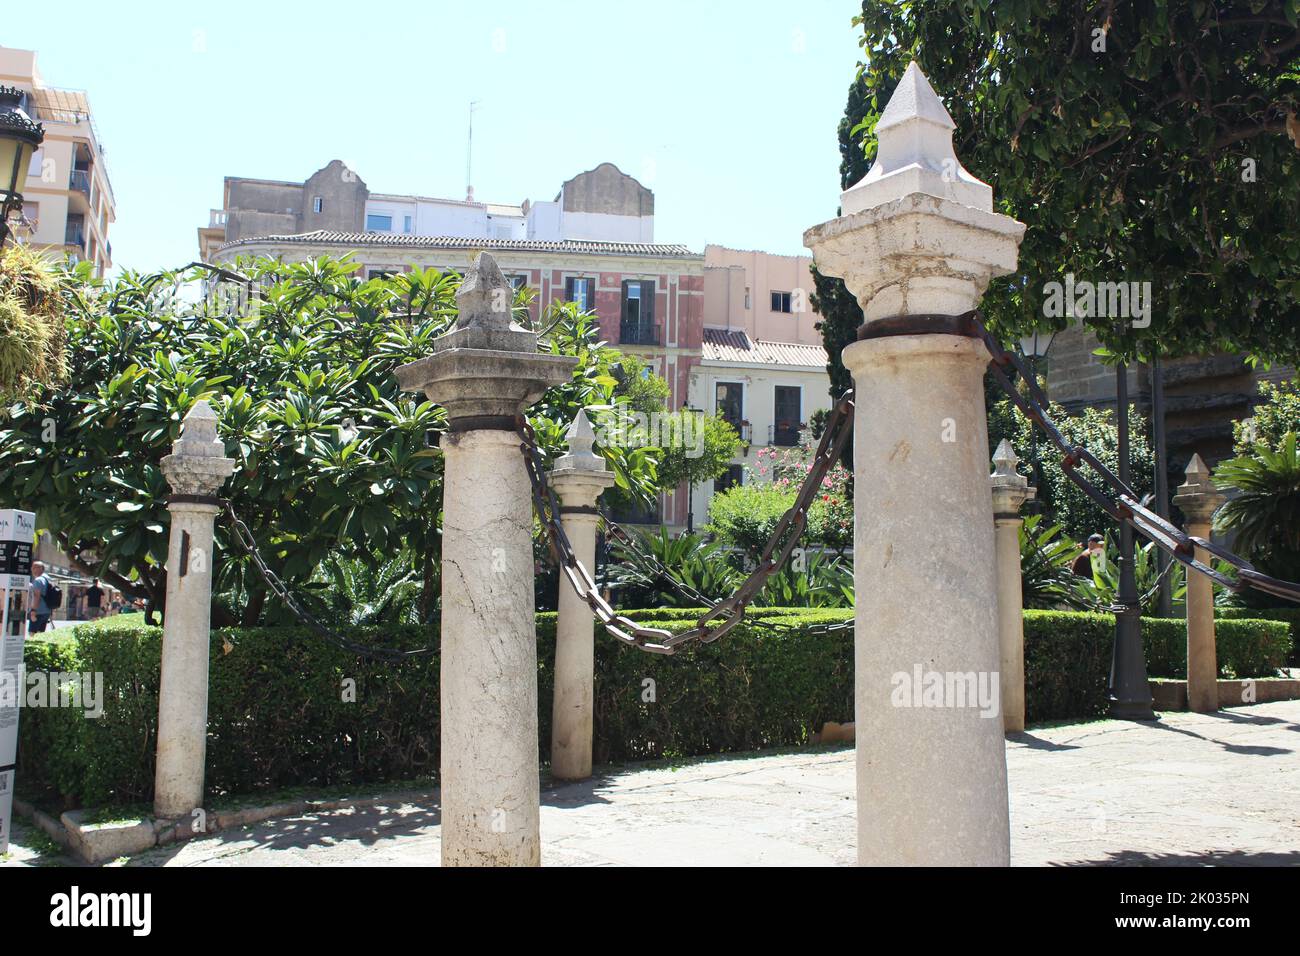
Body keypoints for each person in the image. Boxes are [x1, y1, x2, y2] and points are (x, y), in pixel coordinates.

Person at [27, 560, 52, 634]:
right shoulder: (48, 579)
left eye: (35, 567)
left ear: (41, 568)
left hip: (38, 612)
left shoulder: (38, 580)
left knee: (32, 633)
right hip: (47, 611)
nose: (33, 569)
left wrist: (33, 611)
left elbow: (36, 596)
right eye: (32, 567)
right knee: (40, 634)